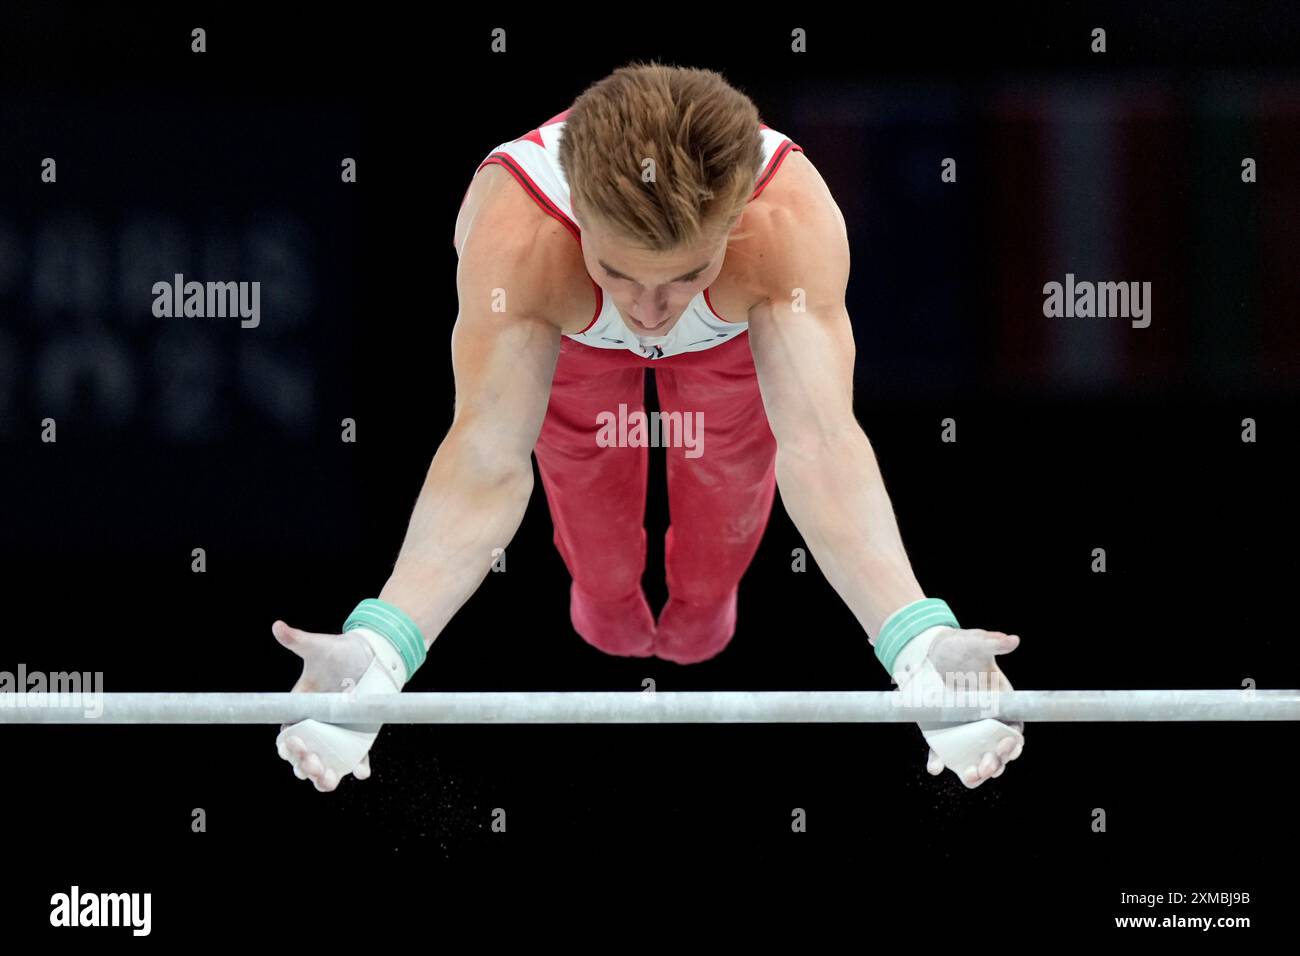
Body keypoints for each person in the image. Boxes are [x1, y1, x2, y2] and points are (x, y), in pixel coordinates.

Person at [273, 62, 1025, 792]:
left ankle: (702, 613)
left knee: (716, 552)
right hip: (570, 344)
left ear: (735, 222)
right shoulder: (521, 235)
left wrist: (918, 641)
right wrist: (382, 645)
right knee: (601, 576)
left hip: (731, 346)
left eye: (686, 275)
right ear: (580, 221)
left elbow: (823, 445)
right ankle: (605, 604)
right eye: (620, 271)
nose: (650, 313)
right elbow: (486, 458)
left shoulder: (788, 221)